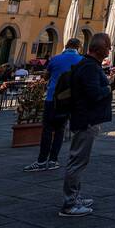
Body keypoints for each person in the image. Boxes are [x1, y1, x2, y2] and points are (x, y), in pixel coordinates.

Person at [61, 33, 113, 217]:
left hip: (84, 117)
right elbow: (94, 93)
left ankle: (75, 197)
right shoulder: (90, 67)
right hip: (85, 119)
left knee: (80, 161)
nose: (109, 50)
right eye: (108, 47)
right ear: (99, 49)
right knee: (77, 161)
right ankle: (70, 204)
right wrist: (109, 87)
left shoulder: (87, 65)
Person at [25, 39, 81, 172]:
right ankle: (53, 160)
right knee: (60, 130)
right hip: (68, 101)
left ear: (66, 46)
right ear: (78, 47)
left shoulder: (55, 59)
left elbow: (46, 76)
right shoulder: (81, 61)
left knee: (47, 130)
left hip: (51, 99)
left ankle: (41, 160)